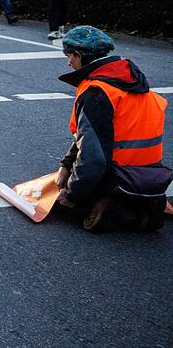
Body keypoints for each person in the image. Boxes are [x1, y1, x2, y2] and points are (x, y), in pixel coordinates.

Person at [55, 26, 170, 232]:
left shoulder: (96, 92)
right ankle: (144, 203)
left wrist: (71, 194)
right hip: (152, 175)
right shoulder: (133, 84)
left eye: (69, 56)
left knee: (66, 198)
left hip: (117, 176)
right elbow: (93, 138)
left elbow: (93, 157)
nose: (68, 62)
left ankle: (108, 202)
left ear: (78, 55)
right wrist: (66, 165)